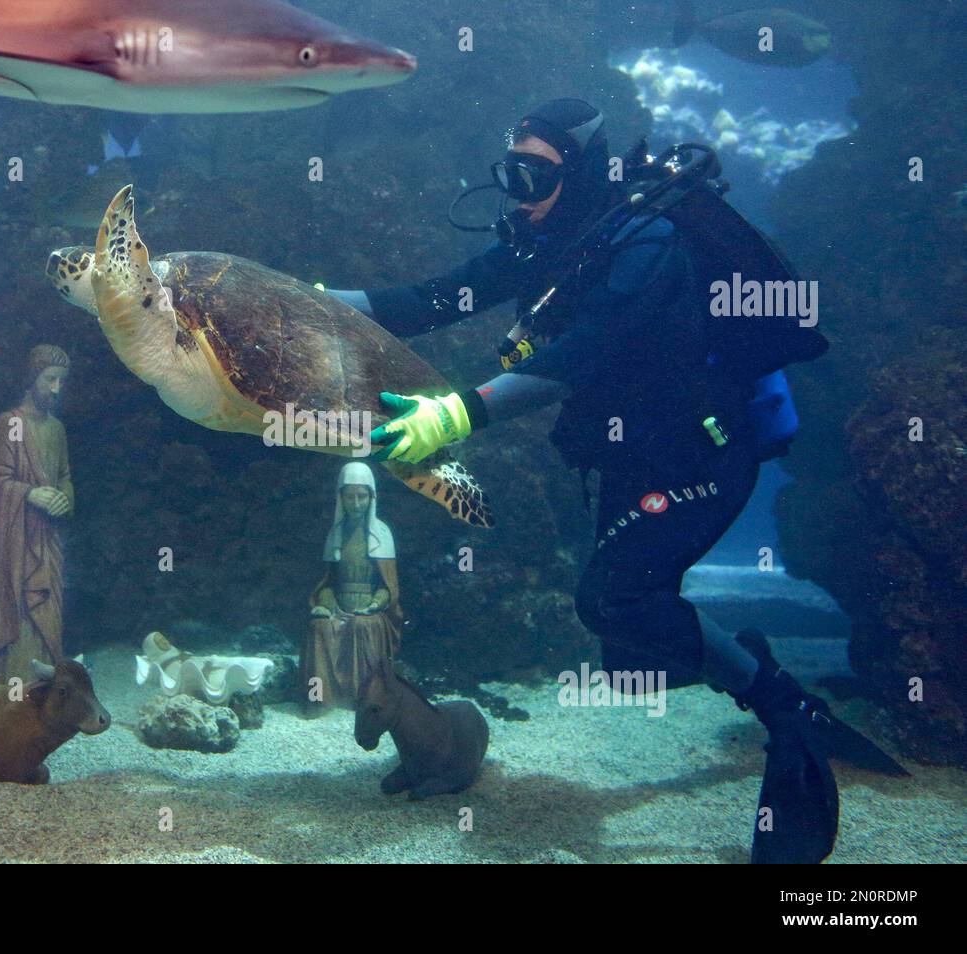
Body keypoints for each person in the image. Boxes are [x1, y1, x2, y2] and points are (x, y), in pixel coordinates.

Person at [328, 98, 904, 863]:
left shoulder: (647, 242)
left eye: (535, 173)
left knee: (614, 598)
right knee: (634, 653)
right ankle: (751, 664)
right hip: (630, 464)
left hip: (700, 458)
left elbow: (581, 357)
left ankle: (786, 708)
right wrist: (310, 303)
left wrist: (454, 415)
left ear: (586, 173)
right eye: (511, 172)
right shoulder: (549, 243)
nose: (519, 192)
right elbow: (433, 299)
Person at [0, 344, 75, 684]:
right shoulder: (9, 424)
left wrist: (64, 499)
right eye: (50, 379)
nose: (56, 388)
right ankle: (9, 687)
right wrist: (31, 494)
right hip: (17, 538)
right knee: (18, 607)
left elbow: (64, 476)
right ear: (33, 378)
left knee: (48, 608)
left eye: (62, 381)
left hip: (48, 538)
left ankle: (43, 687)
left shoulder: (57, 429)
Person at [300, 462, 402, 714]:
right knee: (318, 628)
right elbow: (328, 581)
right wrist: (325, 605)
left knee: (361, 626)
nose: (356, 504)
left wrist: (374, 605)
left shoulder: (382, 534)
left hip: (371, 612)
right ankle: (320, 700)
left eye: (362, 497)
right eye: (350, 497)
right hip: (338, 607)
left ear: (371, 497)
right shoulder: (335, 534)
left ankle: (363, 701)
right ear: (341, 498)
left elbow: (389, 586)